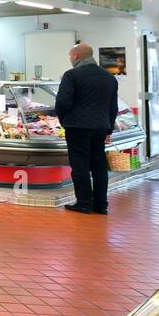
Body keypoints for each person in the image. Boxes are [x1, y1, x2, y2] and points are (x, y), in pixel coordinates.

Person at [56, 41, 121, 215]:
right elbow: (112, 107)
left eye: (70, 56)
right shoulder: (109, 77)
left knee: (80, 165)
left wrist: (63, 120)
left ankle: (84, 203)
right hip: (100, 126)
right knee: (99, 165)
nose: (70, 59)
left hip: (77, 127)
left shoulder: (72, 75)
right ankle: (101, 204)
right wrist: (108, 129)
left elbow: (62, 102)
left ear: (76, 56)